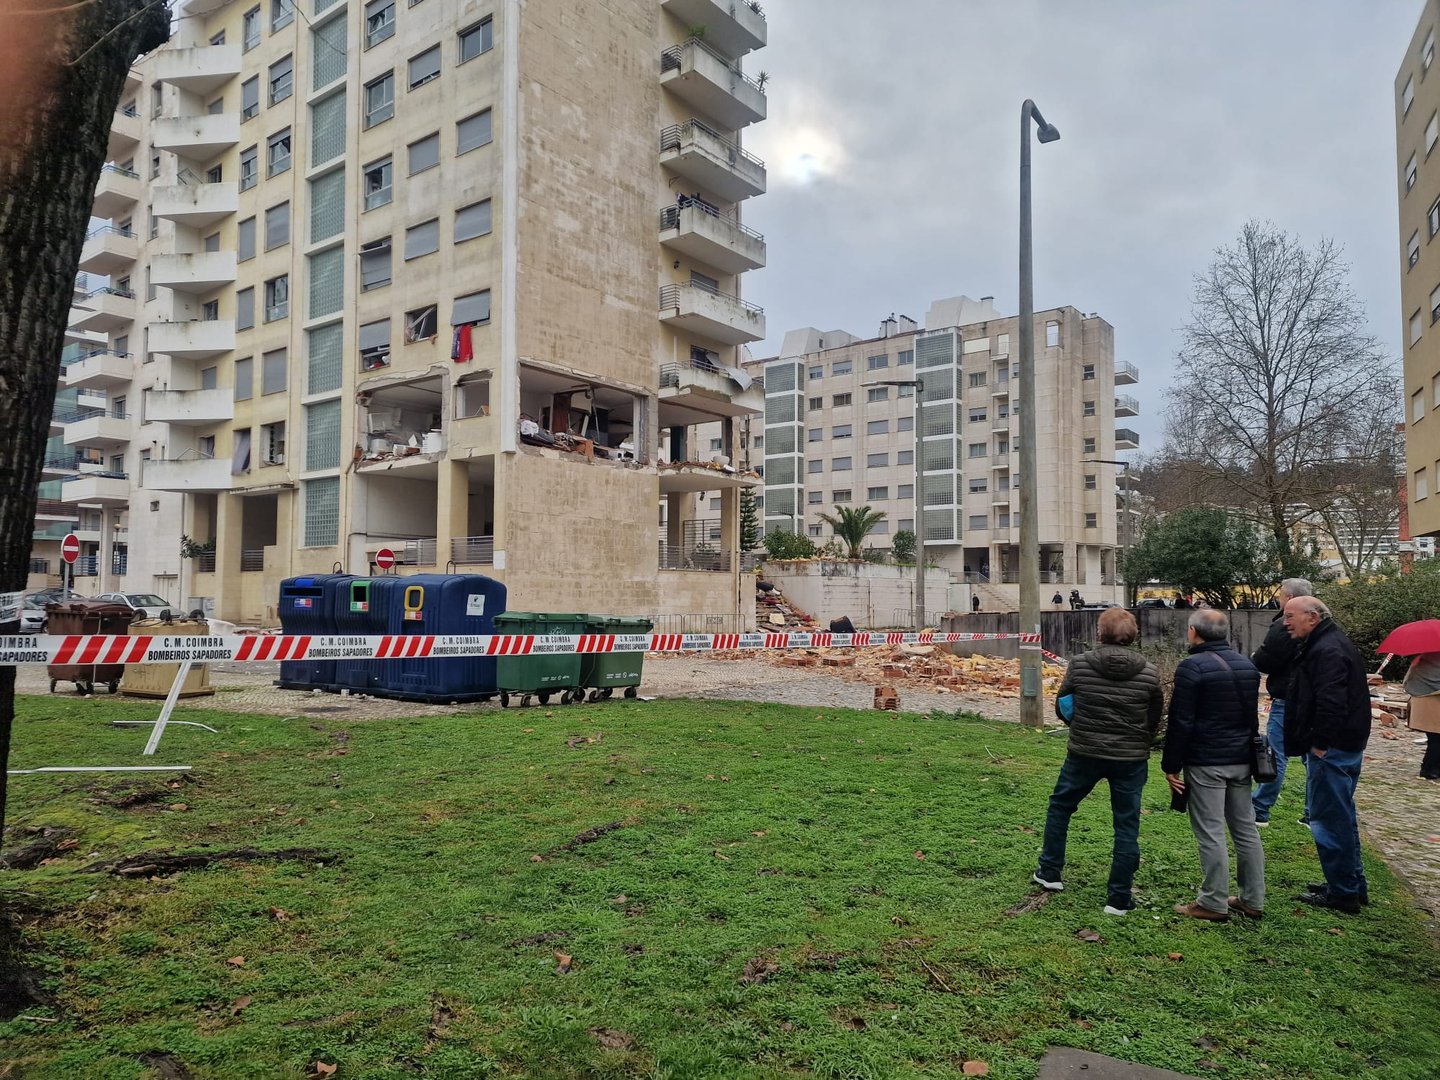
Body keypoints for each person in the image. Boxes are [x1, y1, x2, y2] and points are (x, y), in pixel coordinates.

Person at [1032, 608, 1164, 915]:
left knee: (1061, 806)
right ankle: (1119, 897)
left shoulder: (1079, 665)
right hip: (1130, 758)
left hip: (1084, 753)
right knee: (1127, 823)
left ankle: (1050, 870)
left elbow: (1063, 703)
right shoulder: (1150, 672)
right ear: (1134, 636)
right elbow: (1154, 717)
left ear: (1098, 633)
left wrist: (1077, 725)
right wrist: (1141, 738)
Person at [1162, 609, 1265, 921]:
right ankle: (1252, 898)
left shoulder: (1192, 667)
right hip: (1241, 759)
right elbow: (1250, 715)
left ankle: (1213, 902)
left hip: (1207, 760)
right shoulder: (1247, 665)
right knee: (1245, 828)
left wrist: (1171, 764)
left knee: (1210, 831)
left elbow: (1182, 720)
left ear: (1194, 631)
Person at [1283, 596, 1372, 913]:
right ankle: (1350, 884)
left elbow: (1331, 701)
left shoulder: (1328, 649)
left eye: (1290, 615)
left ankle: (1343, 893)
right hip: (1344, 744)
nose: (1285, 621)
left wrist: (1320, 742)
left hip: (1334, 748)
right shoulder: (1327, 643)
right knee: (1342, 816)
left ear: (1313, 617)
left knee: (1329, 818)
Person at [1250, 578, 1313, 826]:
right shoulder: (1321, 623)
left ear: (1287, 596)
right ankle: (1312, 813)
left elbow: (1267, 659)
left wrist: (1257, 656)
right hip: (1312, 698)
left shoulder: (1284, 625)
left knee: (1275, 755)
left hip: (1287, 697)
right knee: (1313, 759)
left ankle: (1260, 808)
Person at [1404, 652, 1440, 780]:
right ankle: (1430, 770)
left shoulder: (1422, 658)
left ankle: (1430, 768)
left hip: (1421, 703)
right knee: (1436, 739)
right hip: (1433, 704)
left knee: (1434, 739)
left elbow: (1408, 680)